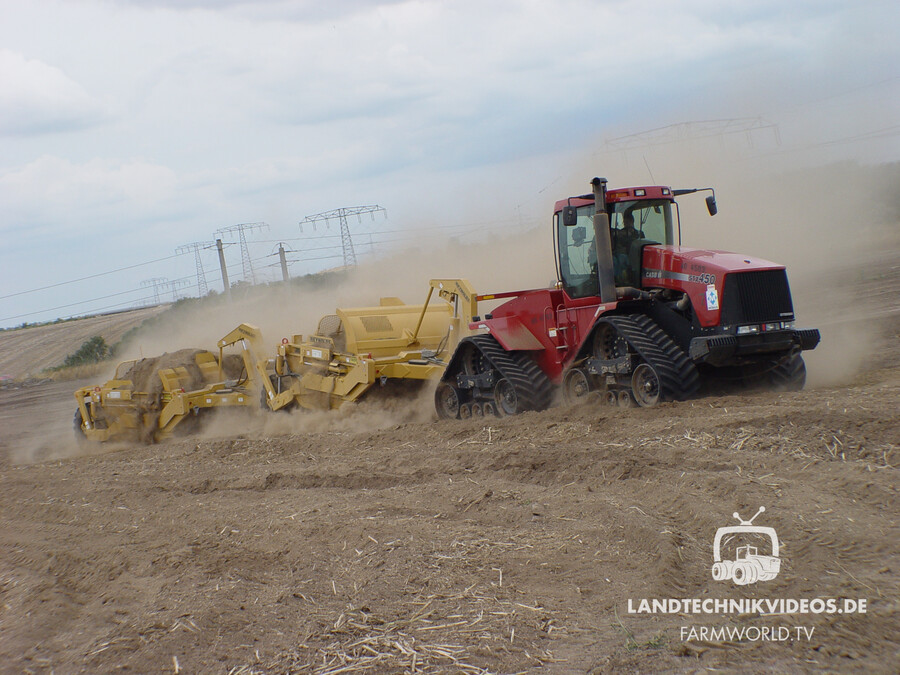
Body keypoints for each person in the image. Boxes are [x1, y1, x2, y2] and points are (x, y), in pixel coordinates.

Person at [613, 212, 640, 283]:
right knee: (620, 259)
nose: (625, 224)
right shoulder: (620, 233)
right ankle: (620, 279)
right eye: (624, 222)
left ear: (632, 221)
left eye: (627, 222)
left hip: (636, 256)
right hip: (623, 255)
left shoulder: (639, 234)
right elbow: (618, 245)